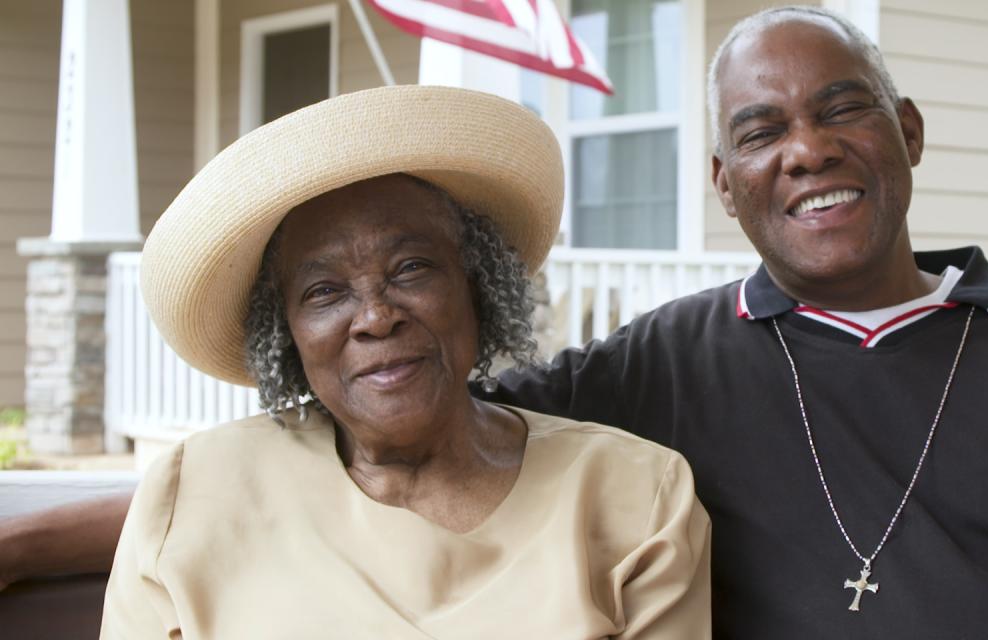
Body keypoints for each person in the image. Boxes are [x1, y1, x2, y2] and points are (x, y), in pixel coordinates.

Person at [1, 5, 988, 639]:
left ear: (906, 132)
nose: (805, 150)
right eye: (759, 131)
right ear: (723, 183)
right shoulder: (666, 364)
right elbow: (395, 429)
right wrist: (27, 538)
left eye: (841, 109)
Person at [96, 85, 710, 638]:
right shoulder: (193, 490)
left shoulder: (635, 497)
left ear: (477, 288)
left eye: (411, 268)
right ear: (286, 333)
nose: (375, 316)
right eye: (324, 292)